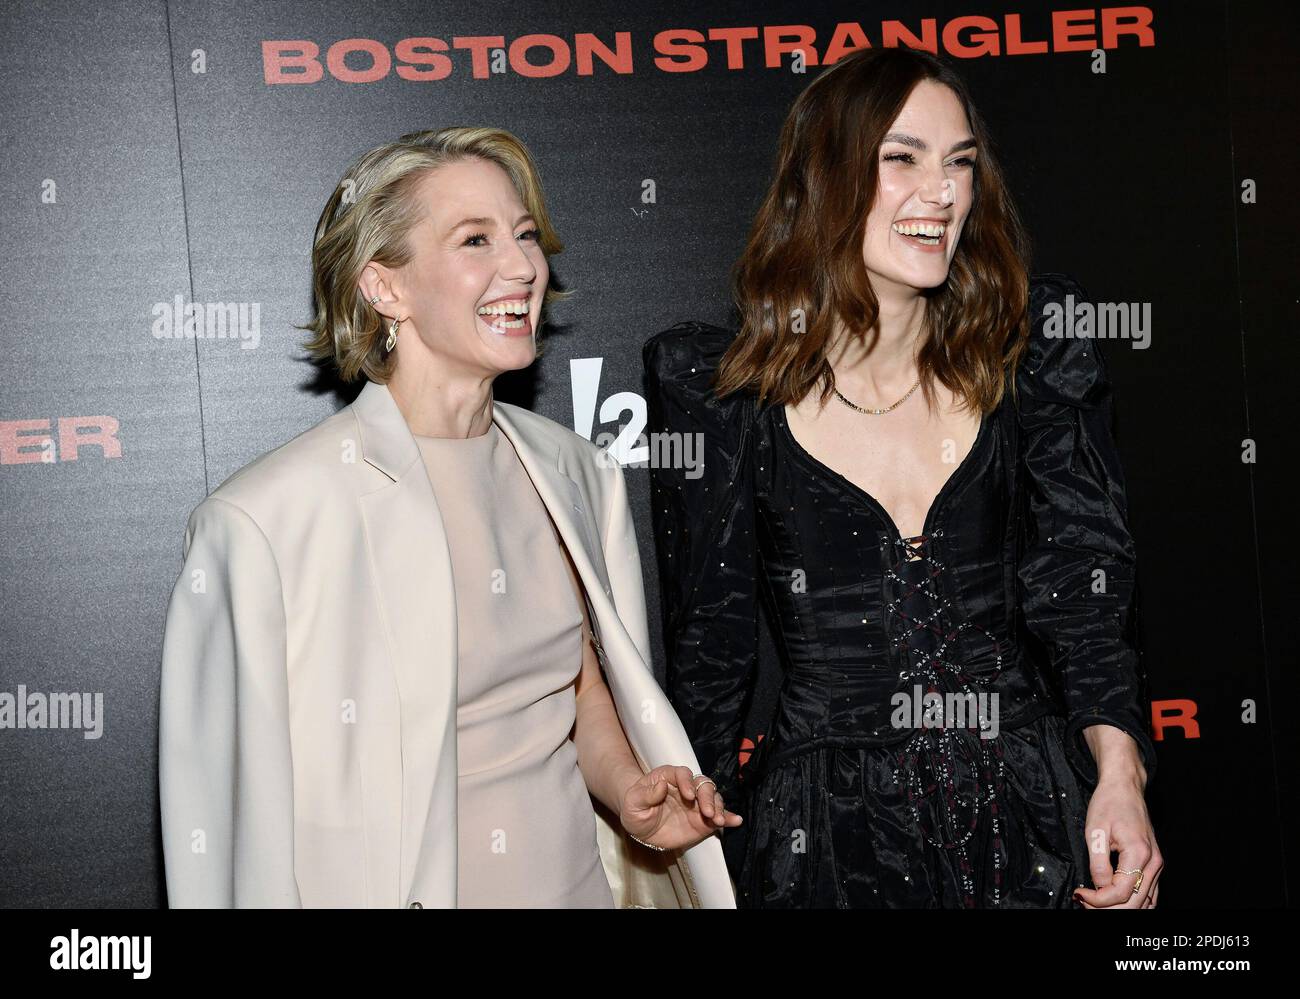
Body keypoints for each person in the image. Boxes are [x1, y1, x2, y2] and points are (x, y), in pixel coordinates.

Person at [159, 126, 738, 909]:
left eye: (526, 235)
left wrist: (630, 786)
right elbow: (229, 840)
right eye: (476, 239)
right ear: (384, 288)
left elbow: (575, 690)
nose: (524, 266)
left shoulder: (574, 473)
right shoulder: (264, 524)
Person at [643, 48, 1162, 909]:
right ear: (826, 177)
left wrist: (1120, 774)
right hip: (829, 838)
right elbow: (712, 648)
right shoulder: (722, 393)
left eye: (960, 162)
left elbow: (1085, 593)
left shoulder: (1029, 358)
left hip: (1035, 813)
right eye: (902, 158)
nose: (944, 192)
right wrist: (691, 819)